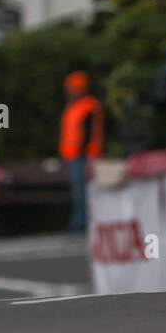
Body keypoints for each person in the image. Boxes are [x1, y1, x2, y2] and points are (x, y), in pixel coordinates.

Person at [59, 71, 104, 232]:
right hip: (72, 156)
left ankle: (82, 224)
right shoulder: (72, 107)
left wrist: (91, 157)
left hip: (84, 156)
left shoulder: (89, 106)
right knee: (78, 192)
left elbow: (93, 134)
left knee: (84, 193)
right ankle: (80, 222)